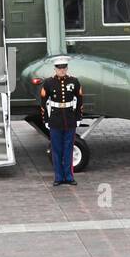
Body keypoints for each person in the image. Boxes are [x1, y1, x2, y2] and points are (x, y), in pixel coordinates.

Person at [39, 55, 84, 186]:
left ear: (67, 68)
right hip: (55, 119)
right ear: (55, 69)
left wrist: (78, 117)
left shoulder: (74, 81)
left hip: (69, 119)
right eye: (59, 68)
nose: (62, 70)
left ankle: (69, 176)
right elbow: (43, 102)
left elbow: (80, 100)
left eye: (64, 68)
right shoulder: (48, 83)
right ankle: (58, 177)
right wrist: (46, 119)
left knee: (68, 148)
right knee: (56, 149)